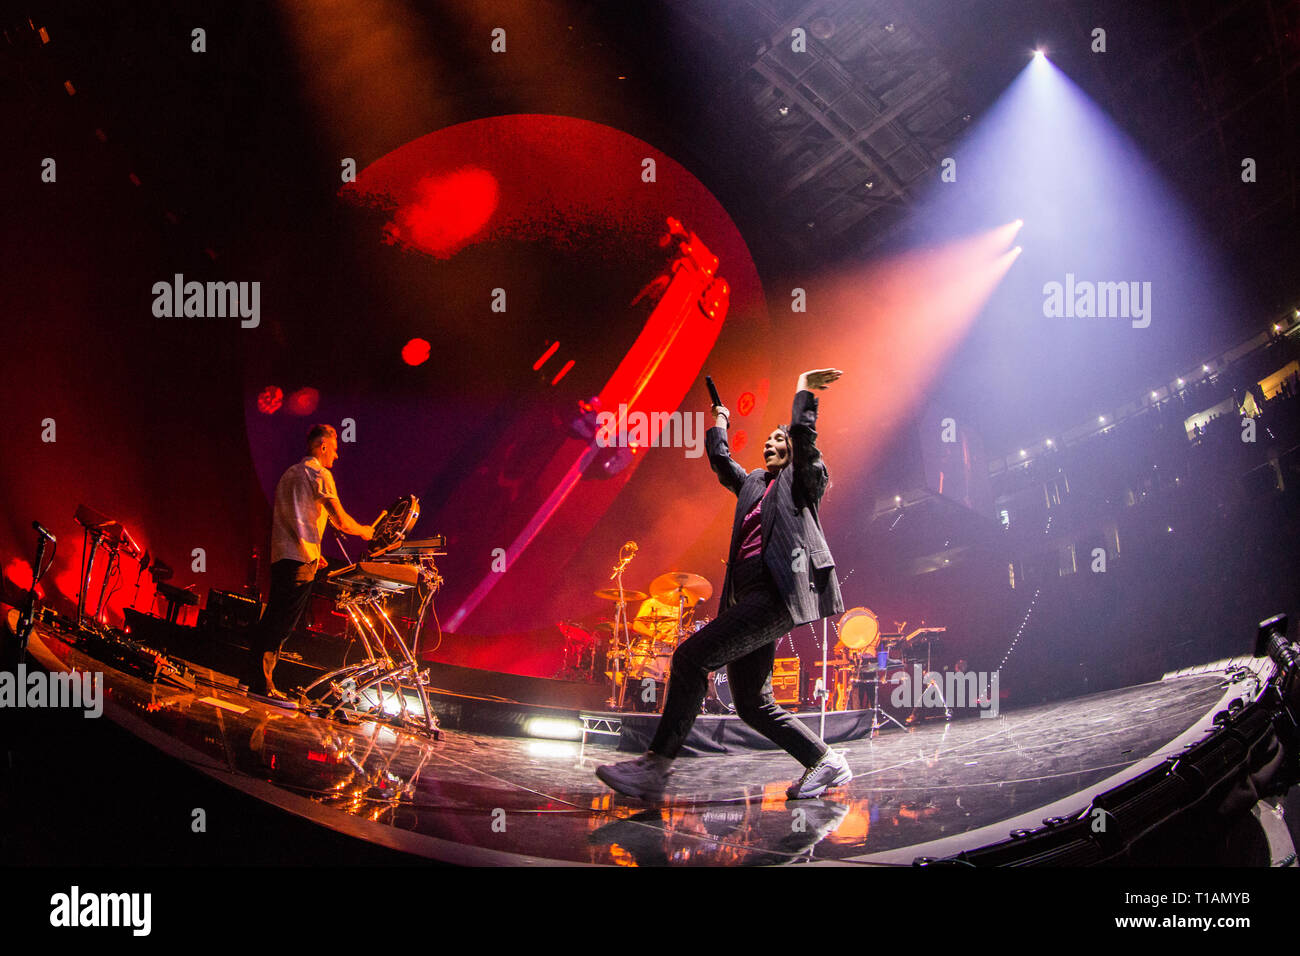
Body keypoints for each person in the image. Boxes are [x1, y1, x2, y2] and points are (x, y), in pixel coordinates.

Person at [597, 369, 851, 800]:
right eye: (768, 441)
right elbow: (721, 462)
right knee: (752, 703)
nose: (771, 445)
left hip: (778, 594)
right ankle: (824, 760)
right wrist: (720, 422)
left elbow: (806, 446)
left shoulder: (804, 481)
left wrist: (803, 389)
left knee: (691, 657)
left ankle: (655, 767)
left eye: (780, 440)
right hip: (747, 597)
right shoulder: (754, 483)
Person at [240, 424, 375, 704]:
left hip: (283, 555)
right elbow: (339, 519)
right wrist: (364, 530)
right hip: (300, 560)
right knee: (283, 623)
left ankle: (249, 678)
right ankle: (261, 685)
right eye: (334, 450)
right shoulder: (319, 474)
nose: (336, 457)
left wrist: (312, 547)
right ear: (322, 446)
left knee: (272, 617)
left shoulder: (289, 474)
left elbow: (294, 520)